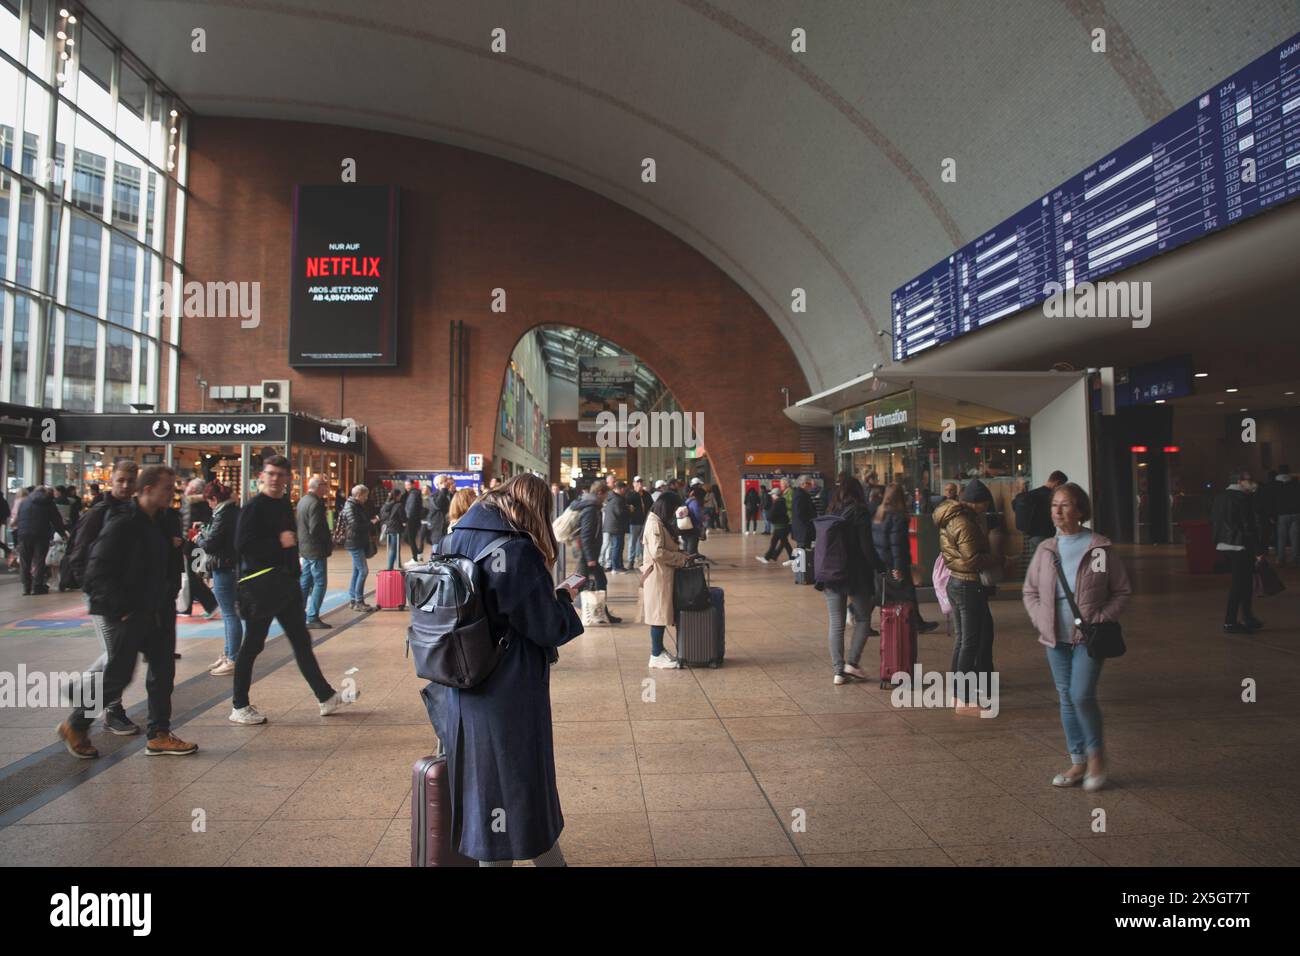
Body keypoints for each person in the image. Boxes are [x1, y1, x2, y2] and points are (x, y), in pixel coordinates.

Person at [433, 474, 584, 866]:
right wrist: (564, 600)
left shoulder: (451, 539)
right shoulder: (515, 551)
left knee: (487, 789)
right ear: (533, 507)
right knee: (517, 782)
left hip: (461, 685)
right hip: (509, 688)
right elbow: (546, 626)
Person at [57, 465, 198, 758]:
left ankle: (159, 734)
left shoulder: (161, 520)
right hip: (131, 610)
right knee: (118, 675)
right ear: (147, 490)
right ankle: (76, 723)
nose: (171, 495)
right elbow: (96, 570)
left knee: (162, 672)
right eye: (167, 489)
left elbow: (166, 561)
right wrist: (119, 609)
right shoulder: (122, 522)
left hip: (159, 607)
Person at [1022, 482, 1131, 791]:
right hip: (1055, 638)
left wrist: (1101, 617)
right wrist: (1041, 619)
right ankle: (1077, 761)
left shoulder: (1097, 547)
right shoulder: (1046, 549)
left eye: (1065, 504)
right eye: (1054, 505)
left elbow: (1122, 591)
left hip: (1089, 636)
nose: (1058, 510)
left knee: (1081, 694)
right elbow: (1030, 591)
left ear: (1080, 510)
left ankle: (1097, 756)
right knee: (1066, 698)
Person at [229, 456, 347, 725]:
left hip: (284, 586)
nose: (275, 479)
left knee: (301, 641)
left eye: (280, 475)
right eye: (270, 474)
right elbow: (242, 545)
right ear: (262, 476)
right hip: (261, 588)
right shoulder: (253, 507)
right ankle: (239, 705)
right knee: (253, 645)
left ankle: (325, 696)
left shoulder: (283, 503)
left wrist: (294, 572)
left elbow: (290, 542)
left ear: (287, 479)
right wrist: (277, 543)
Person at [67, 461, 140, 733]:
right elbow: (78, 557)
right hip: (104, 598)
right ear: (112, 480)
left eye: (129, 480)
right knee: (116, 657)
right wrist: (96, 593)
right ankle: (111, 709)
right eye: (121, 480)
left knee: (117, 654)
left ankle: (81, 689)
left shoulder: (133, 512)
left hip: (124, 597)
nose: (125, 485)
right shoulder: (98, 513)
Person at [934, 478, 1000, 716]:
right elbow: (973, 559)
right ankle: (963, 699)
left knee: (964, 640)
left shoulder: (952, 518)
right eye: (984, 503)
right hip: (968, 584)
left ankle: (957, 694)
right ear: (977, 503)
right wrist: (999, 561)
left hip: (957, 581)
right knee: (969, 641)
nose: (986, 508)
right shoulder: (965, 522)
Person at [819, 475, 878, 685]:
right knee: (862, 618)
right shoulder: (860, 512)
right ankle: (852, 663)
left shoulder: (831, 512)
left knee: (836, 623)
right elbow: (866, 547)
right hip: (857, 574)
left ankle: (838, 671)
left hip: (832, 573)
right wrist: (880, 567)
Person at [873, 483, 939, 633]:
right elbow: (897, 544)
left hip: (882, 561)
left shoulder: (879, 512)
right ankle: (916, 623)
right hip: (894, 562)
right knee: (908, 593)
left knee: (886, 594)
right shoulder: (897, 516)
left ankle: (906, 622)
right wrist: (898, 567)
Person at [640, 491, 692, 669]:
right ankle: (655, 654)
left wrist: (680, 554)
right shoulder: (654, 523)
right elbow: (658, 552)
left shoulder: (658, 520)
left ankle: (659, 650)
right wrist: (680, 558)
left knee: (661, 613)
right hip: (657, 576)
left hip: (662, 575)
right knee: (658, 615)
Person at [1211, 470, 1266, 634]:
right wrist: (1258, 549)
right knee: (1240, 584)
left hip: (1225, 544)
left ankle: (1248, 617)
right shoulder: (1244, 498)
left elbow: (1213, 520)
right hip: (1241, 545)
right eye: (1249, 480)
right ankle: (1231, 621)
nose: (1252, 483)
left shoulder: (1220, 497)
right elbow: (1249, 526)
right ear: (1240, 481)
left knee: (1244, 582)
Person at [198, 481, 242, 676]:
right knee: (228, 613)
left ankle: (232, 657)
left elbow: (210, 544)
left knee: (229, 614)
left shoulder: (223, 515)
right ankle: (228, 654)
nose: (209, 505)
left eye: (209, 501)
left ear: (214, 499)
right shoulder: (230, 512)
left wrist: (198, 537)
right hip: (227, 565)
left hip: (224, 566)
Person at [569, 479, 621, 623]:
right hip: (586, 554)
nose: (606, 498)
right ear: (599, 493)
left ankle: (602, 613)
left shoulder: (593, 506)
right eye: (605, 495)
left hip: (586, 552)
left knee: (580, 581)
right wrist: (591, 557)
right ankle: (558, 602)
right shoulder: (591, 509)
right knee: (584, 582)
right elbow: (586, 535)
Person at [297, 475, 333, 629]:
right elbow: (316, 528)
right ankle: (312, 616)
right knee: (319, 582)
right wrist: (327, 540)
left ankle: (299, 614)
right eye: (325, 485)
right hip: (315, 548)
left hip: (305, 548)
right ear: (318, 486)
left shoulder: (303, 500)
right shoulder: (316, 503)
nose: (327, 488)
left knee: (305, 581)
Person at [16, 484, 67, 595]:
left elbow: (18, 518)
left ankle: (26, 587)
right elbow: (56, 519)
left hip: (24, 534)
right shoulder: (48, 502)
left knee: (25, 561)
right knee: (39, 560)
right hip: (41, 534)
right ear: (45, 493)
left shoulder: (24, 502)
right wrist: (62, 533)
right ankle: (37, 586)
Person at [179, 477, 218, 618]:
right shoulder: (202, 504)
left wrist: (184, 542)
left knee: (193, 577)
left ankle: (211, 603)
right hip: (197, 544)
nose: (186, 487)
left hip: (193, 544)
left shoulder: (191, 503)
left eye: (189, 486)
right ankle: (187, 607)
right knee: (193, 576)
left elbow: (188, 525)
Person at [340, 484, 377, 610]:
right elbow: (355, 525)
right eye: (365, 496)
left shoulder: (356, 505)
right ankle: (359, 601)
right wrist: (370, 523)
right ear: (359, 495)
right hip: (354, 542)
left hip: (357, 541)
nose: (366, 498)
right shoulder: (351, 506)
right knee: (363, 571)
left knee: (357, 570)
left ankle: (353, 599)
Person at [1014, 470, 1068, 557]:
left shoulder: (1030, 494)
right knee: (1046, 562)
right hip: (1043, 536)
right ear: (1057, 483)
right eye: (1061, 486)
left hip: (1028, 536)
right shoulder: (1050, 496)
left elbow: (1014, 504)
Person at [1268, 464, 1299, 566]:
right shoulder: (1295, 483)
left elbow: (1272, 501)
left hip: (1281, 514)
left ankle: (1281, 559)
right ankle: (1295, 559)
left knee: (1281, 538)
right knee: (1295, 538)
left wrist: (1271, 515)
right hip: (1296, 513)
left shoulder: (1274, 484)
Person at [758, 487, 793, 563]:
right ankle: (768, 557)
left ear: (776, 495)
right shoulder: (781, 501)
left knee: (785, 543)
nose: (771, 496)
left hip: (780, 526)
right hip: (780, 525)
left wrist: (769, 518)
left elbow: (773, 514)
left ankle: (792, 558)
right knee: (774, 542)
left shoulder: (778, 502)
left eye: (772, 494)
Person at [603, 479, 630, 572]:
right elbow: (620, 512)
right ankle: (616, 567)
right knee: (617, 547)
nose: (625, 491)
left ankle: (619, 565)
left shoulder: (611, 497)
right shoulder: (618, 499)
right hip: (616, 526)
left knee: (617, 546)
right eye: (624, 489)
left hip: (612, 526)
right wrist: (629, 510)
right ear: (621, 489)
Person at [425, 474, 454, 555]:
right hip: (438, 531)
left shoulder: (451, 495)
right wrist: (443, 490)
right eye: (443, 482)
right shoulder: (433, 496)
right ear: (437, 485)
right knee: (437, 556)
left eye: (446, 480)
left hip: (449, 531)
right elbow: (438, 505)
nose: (446, 483)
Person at [379, 487, 406, 571]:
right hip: (396, 528)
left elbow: (381, 516)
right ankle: (390, 567)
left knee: (393, 547)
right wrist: (405, 522)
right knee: (394, 548)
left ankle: (398, 564)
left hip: (388, 528)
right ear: (397, 496)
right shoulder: (399, 505)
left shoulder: (386, 504)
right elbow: (403, 518)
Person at [791, 475, 818, 557]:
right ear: (803, 484)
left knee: (803, 549)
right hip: (803, 528)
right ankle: (799, 568)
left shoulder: (803, 494)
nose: (811, 486)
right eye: (809, 484)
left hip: (804, 528)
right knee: (802, 549)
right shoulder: (800, 495)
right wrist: (807, 523)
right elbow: (799, 512)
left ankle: (801, 567)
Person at [625, 476, 647, 568]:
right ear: (633, 484)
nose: (640, 484)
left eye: (641, 482)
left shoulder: (646, 494)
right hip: (634, 522)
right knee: (632, 542)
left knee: (643, 542)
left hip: (644, 522)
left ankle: (643, 560)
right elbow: (627, 503)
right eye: (637, 482)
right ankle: (631, 561)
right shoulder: (630, 494)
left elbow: (651, 505)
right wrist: (637, 492)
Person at [404, 479, 426, 564]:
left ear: (413, 485)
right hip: (413, 519)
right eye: (405, 485)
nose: (406, 487)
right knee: (408, 538)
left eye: (408, 485)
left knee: (409, 538)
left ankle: (415, 558)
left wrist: (407, 518)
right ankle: (418, 554)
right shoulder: (413, 493)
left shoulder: (413, 494)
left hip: (411, 519)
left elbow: (411, 508)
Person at [682, 484, 707, 556]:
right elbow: (698, 515)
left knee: (686, 543)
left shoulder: (688, 501)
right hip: (693, 526)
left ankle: (686, 558)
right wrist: (703, 520)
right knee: (692, 544)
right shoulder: (695, 502)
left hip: (685, 525)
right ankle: (691, 559)